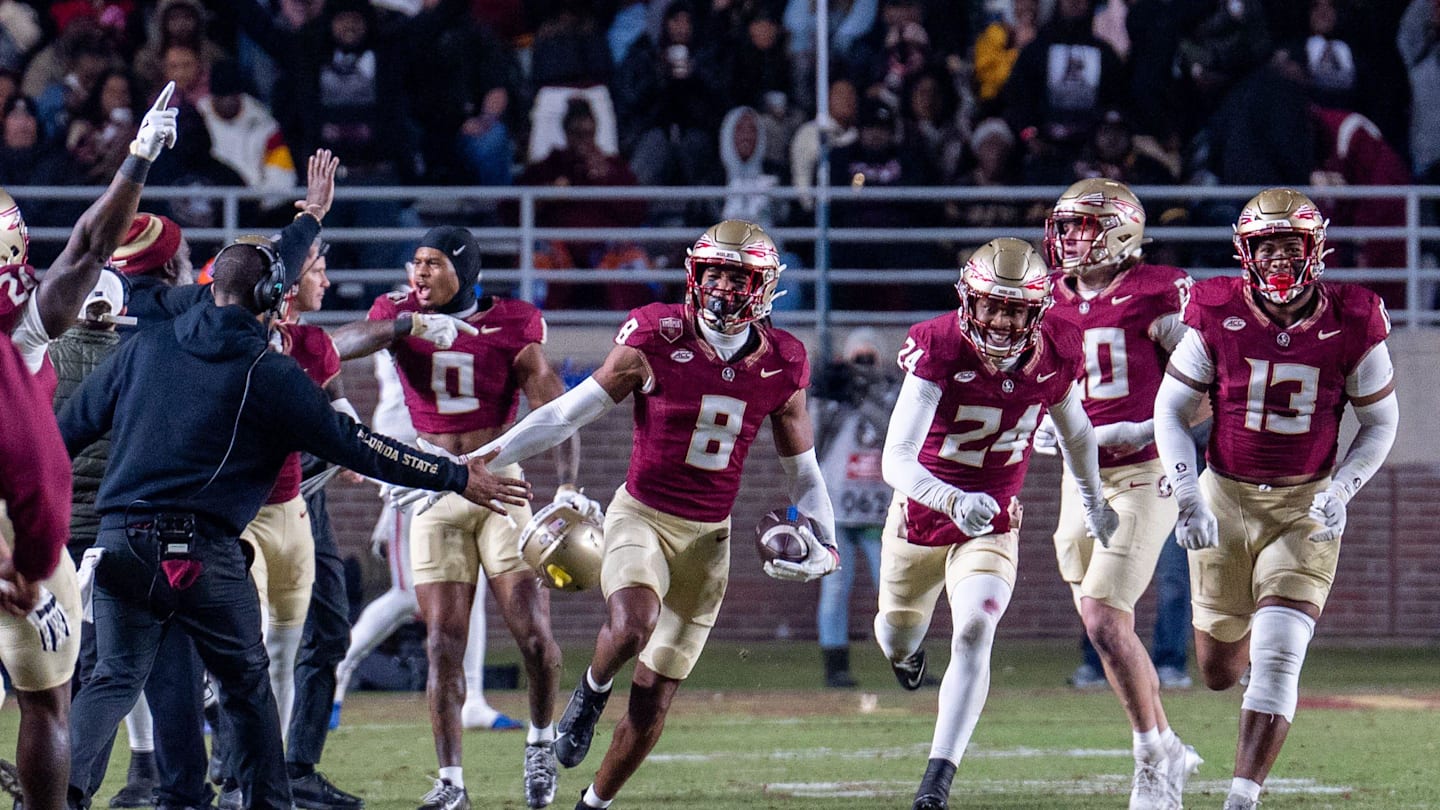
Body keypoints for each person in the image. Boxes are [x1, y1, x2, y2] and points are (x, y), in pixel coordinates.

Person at [58, 235, 531, 810]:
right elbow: (357, 447)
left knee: (111, 678)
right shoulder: (269, 371)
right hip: (200, 550)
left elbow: (65, 435)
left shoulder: (144, 349)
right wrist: (457, 477)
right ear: (272, 297)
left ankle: (58, 795)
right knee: (249, 687)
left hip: (120, 544)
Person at [473, 219, 840, 810]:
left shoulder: (785, 361)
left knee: (652, 703)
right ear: (695, 274)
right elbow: (566, 414)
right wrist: (480, 459)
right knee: (633, 622)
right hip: (641, 515)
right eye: (714, 272)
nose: (721, 287)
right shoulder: (654, 334)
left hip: (708, 544)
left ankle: (593, 803)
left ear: (764, 287)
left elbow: (805, 473)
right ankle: (590, 694)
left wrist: (825, 541)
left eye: (737, 276)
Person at [1154, 188, 1398, 810]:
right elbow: (1172, 411)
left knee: (1279, 655)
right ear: (1245, 252)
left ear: (1317, 250)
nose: (1280, 259)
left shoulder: (1355, 316)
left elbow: (1381, 422)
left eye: (1292, 245)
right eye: (1267, 247)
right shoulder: (1215, 309)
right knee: (1217, 670)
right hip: (1225, 497)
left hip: (1304, 506)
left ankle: (1242, 797)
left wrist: (1343, 489)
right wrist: (1188, 494)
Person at [330, 225, 581, 810]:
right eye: (414, 261)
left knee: (534, 635)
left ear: (463, 271)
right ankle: (451, 783)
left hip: (502, 488)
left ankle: (541, 746)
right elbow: (334, 348)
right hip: (433, 486)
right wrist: (404, 327)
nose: (418, 273)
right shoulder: (398, 312)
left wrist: (567, 485)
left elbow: (558, 405)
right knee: (442, 641)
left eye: (433, 263)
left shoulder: (513, 321)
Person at [875, 237, 1119, 810]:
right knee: (897, 632)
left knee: (974, 628)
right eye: (993, 306)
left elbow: (1076, 430)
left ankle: (936, 780)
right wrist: (953, 499)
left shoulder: (1058, 348)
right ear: (969, 303)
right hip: (919, 517)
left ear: (1037, 310)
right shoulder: (938, 345)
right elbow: (896, 459)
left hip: (993, 524)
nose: (1004, 321)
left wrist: (1093, 500)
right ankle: (907, 658)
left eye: (1016, 309)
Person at [0, 80, 182, 810]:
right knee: (48, 700)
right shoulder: (25, 328)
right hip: (24, 532)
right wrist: (136, 157)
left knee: (52, 698)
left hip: (28, 528)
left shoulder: (29, 328)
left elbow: (91, 244)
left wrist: (137, 158)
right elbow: (89, 244)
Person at [1036, 179, 1201, 808]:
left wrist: (1144, 425)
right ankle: (1164, 746)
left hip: (1146, 469)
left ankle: (1151, 763)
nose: (1072, 238)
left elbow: (1207, 384)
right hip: (1080, 476)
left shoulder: (1157, 291)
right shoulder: (1049, 298)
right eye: (1067, 226)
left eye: (1085, 226)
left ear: (1124, 231)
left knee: (1105, 617)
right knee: (1106, 627)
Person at [331, 349, 522, 734]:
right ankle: (335, 673)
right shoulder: (402, 325)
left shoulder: (442, 325)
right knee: (406, 594)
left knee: (474, 589)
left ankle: (473, 700)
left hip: (452, 468)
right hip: (410, 469)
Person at [811, 327, 896, 688]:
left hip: (879, 510)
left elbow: (895, 433)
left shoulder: (893, 392)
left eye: (869, 357)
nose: (862, 365)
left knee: (893, 588)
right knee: (835, 589)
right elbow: (810, 444)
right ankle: (836, 666)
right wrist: (821, 396)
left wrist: (866, 396)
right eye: (855, 358)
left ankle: (905, 661)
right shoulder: (834, 397)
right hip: (839, 509)